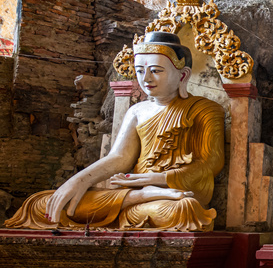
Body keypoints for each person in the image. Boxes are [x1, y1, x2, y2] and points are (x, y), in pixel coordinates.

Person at [5, 32, 224, 231]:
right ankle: (140, 196)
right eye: (140, 71)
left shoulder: (205, 109)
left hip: (173, 195)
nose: (146, 79)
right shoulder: (137, 111)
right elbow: (119, 158)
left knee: (182, 210)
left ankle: (144, 196)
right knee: (40, 204)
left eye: (156, 71)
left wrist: (156, 178)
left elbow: (211, 162)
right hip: (131, 191)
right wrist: (79, 180)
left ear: (183, 76)